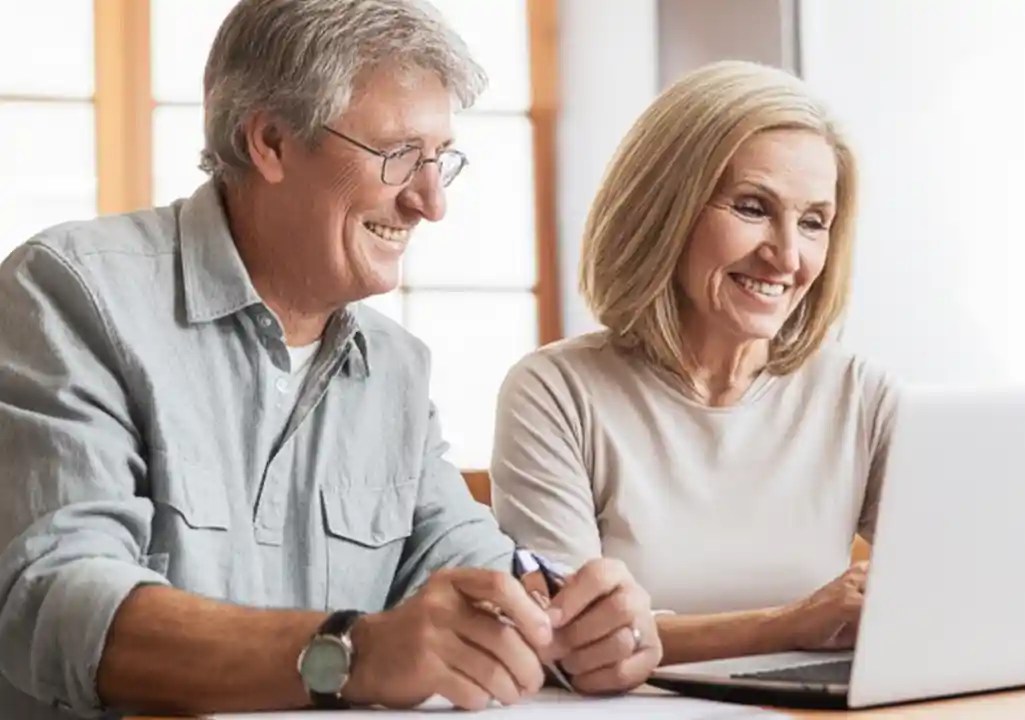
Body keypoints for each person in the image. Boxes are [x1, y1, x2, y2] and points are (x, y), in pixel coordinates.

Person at [0, 2, 660, 717]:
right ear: (271, 142)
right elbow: (55, 603)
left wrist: (571, 622)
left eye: (440, 158)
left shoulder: (395, 367)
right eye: (398, 153)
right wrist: (353, 653)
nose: (431, 202)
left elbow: (475, 571)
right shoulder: (71, 291)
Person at [490, 60, 896, 667]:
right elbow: (569, 638)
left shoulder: (859, 395)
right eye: (753, 208)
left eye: (813, 222)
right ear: (665, 210)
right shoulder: (556, 392)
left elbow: (958, 581)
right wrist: (787, 626)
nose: (787, 256)